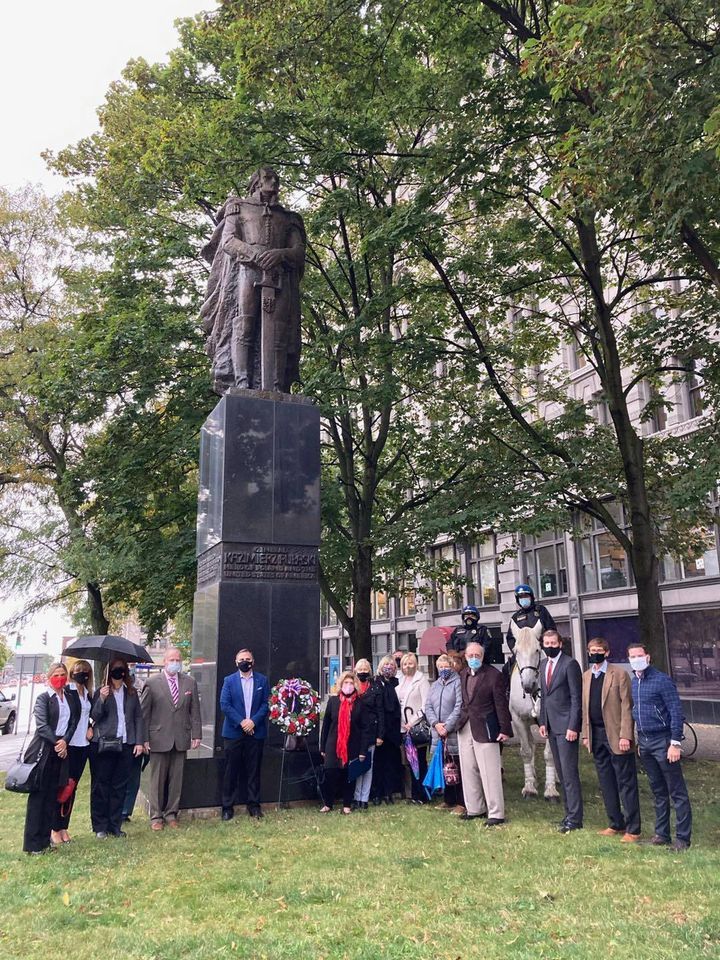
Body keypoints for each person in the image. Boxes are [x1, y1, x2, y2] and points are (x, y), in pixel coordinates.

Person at [200, 166, 306, 394]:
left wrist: (279, 254)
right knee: (243, 325)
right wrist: (254, 254)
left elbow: (298, 251)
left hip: (278, 274)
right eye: (269, 178)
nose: (274, 182)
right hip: (248, 271)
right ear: (256, 183)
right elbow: (228, 241)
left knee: (278, 330)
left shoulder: (288, 218)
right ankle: (241, 384)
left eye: (276, 179)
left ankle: (277, 386)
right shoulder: (239, 209)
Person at [628, 641, 692, 851]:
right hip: (645, 743)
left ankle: (682, 838)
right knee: (658, 791)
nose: (636, 659)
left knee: (677, 792)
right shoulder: (634, 682)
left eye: (639, 655)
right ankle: (661, 834)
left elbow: (675, 712)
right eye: (632, 656)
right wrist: (639, 741)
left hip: (663, 742)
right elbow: (637, 712)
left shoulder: (662, 681)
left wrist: (675, 743)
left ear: (648, 657)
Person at [581, 638, 641, 842]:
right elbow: (585, 708)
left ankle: (633, 829)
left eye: (599, 650)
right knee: (606, 782)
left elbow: (627, 707)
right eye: (592, 650)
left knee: (626, 783)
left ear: (606, 653)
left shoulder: (619, 674)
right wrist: (586, 735)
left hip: (616, 736)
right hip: (596, 736)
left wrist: (626, 735)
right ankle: (615, 822)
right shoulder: (587, 676)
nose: (595, 653)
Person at [140, 647, 202, 831]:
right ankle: (156, 816)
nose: (175, 663)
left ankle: (171, 813)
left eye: (178, 659)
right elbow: (144, 714)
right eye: (172, 660)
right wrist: (144, 738)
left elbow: (195, 711)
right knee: (157, 780)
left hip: (181, 738)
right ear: (165, 662)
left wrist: (197, 734)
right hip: (158, 738)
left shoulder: (190, 682)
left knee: (176, 779)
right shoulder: (151, 683)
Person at [23, 663, 80, 855]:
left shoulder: (70, 698)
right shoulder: (44, 698)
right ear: (49, 677)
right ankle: (33, 844)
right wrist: (58, 743)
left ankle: (45, 841)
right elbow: (42, 725)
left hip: (62, 752)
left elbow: (73, 722)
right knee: (38, 798)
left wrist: (65, 741)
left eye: (63, 674)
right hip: (44, 752)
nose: (60, 677)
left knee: (51, 798)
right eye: (56, 674)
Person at [456, 641, 512, 825]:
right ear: (465, 657)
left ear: (482, 656)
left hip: (487, 728)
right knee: (468, 769)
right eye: (470, 656)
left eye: (477, 656)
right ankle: (474, 808)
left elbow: (501, 704)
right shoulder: (462, 674)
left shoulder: (493, 676)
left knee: (490, 772)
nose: (473, 659)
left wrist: (505, 728)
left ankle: (496, 813)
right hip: (465, 726)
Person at [89, 658, 146, 839]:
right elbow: (95, 716)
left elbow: (138, 717)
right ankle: (100, 826)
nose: (119, 672)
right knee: (102, 785)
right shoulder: (101, 691)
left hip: (126, 745)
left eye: (122, 669)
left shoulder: (131, 693)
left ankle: (115, 825)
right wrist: (102, 699)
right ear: (109, 671)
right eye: (115, 669)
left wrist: (139, 741)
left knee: (120, 787)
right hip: (106, 744)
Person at [538, 630, 583, 833]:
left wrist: (574, 726)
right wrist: (542, 722)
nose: (550, 646)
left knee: (569, 773)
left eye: (553, 642)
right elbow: (545, 697)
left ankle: (575, 818)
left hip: (566, 728)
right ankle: (568, 814)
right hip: (551, 727)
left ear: (560, 644)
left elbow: (576, 698)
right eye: (546, 642)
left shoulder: (570, 664)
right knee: (561, 775)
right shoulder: (542, 665)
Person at [219, 647, 270, 820]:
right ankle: (227, 807)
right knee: (231, 771)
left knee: (254, 771)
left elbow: (266, 704)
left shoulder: (262, 680)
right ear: (236, 662)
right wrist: (242, 722)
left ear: (253, 662)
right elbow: (225, 704)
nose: (244, 662)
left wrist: (253, 721)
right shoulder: (229, 681)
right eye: (241, 659)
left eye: (247, 659)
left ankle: (254, 806)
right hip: (234, 732)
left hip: (255, 732)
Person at [50, 659, 93, 845]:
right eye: (77, 670)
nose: (81, 673)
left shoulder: (87, 694)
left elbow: (89, 716)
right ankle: (54, 828)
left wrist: (92, 725)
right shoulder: (68, 692)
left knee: (72, 788)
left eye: (84, 671)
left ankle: (64, 826)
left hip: (83, 746)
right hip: (70, 745)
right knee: (62, 787)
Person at [320, 672, 373, 814]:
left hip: (352, 745)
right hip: (333, 744)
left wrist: (363, 751)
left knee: (348, 776)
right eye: (345, 683)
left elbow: (365, 729)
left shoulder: (360, 704)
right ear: (340, 685)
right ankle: (328, 804)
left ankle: (347, 805)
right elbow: (326, 725)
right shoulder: (333, 702)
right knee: (330, 773)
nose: (348, 686)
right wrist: (322, 747)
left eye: (351, 683)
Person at [424, 653, 464, 811]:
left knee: (457, 767)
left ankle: (461, 802)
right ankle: (448, 800)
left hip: (452, 733)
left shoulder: (458, 683)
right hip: (437, 732)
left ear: (452, 666)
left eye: (446, 666)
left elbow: (459, 706)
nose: (443, 669)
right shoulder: (435, 685)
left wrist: (447, 727)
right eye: (440, 667)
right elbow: (428, 706)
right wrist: (435, 724)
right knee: (445, 767)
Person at [397, 652, 431, 803]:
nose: (407, 666)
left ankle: (422, 794)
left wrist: (413, 721)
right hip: (403, 729)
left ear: (415, 664)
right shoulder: (400, 680)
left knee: (420, 762)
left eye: (410, 663)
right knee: (410, 762)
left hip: (416, 728)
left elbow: (425, 705)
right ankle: (412, 794)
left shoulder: (421, 680)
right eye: (405, 664)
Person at [370, 655, 403, 805]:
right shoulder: (376, 683)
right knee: (379, 763)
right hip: (380, 729)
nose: (388, 667)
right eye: (386, 664)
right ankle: (378, 793)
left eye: (391, 665)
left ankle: (390, 793)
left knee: (391, 763)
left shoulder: (398, 683)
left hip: (394, 729)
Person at [352, 658, 380, 810]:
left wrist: (379, 734)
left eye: (365, 669)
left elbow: (379, 710)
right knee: (357, 765)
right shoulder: (352, 686)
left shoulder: (374, 687)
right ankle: (356, 797)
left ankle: (364, 798)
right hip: (355, 731)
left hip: (370, 731)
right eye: (360, 669)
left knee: (368, 765)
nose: (363, 672)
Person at [506, 584, 556, 655]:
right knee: (507, 666)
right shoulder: (515, 617)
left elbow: (551, 629)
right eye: (521, 597)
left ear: (531, 597)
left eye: (526, 596)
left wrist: (545, 647)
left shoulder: (541, 611)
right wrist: (517, 651)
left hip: (541, 652)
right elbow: (510, 638)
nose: (523, 599)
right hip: (522, 655)